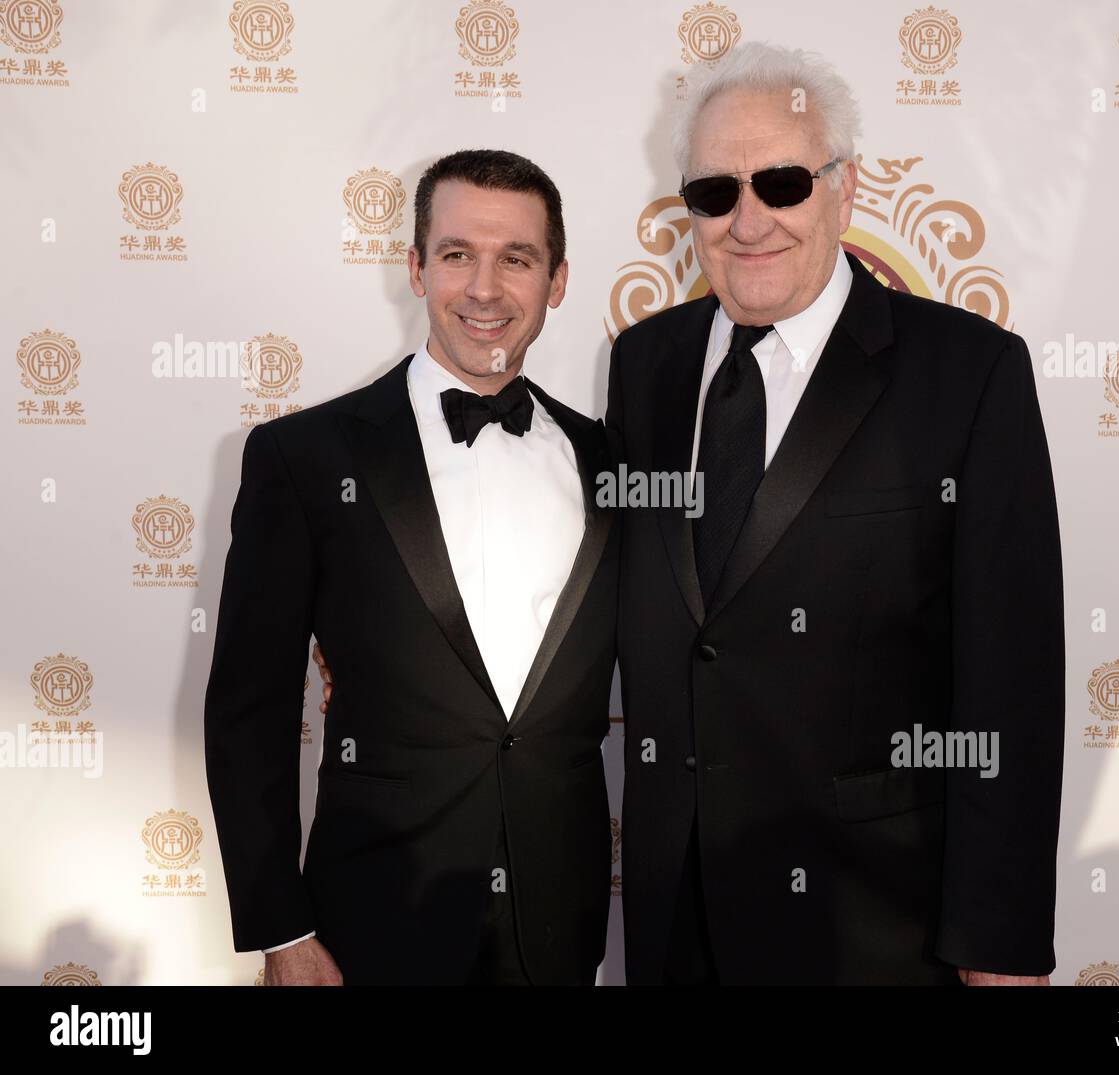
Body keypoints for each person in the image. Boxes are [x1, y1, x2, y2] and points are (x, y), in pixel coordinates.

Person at [605, 42, 1066, 985]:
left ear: (844, 189)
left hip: (873, 928)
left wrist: (1000, 945)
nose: (749, 221)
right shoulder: (644, 362)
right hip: (672, 922)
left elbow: (1010, 679)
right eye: (714, 193)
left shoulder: (968, 374)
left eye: (781, 182)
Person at [204, 149, 619, 986]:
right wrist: (279, 928)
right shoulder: (306, 456)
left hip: (560, 921)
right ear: (415, 268)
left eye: (518, 258)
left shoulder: (610, 459)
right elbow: (250, 708)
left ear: (559, 278)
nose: (485, 289)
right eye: (458, 254)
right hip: (370, 918)